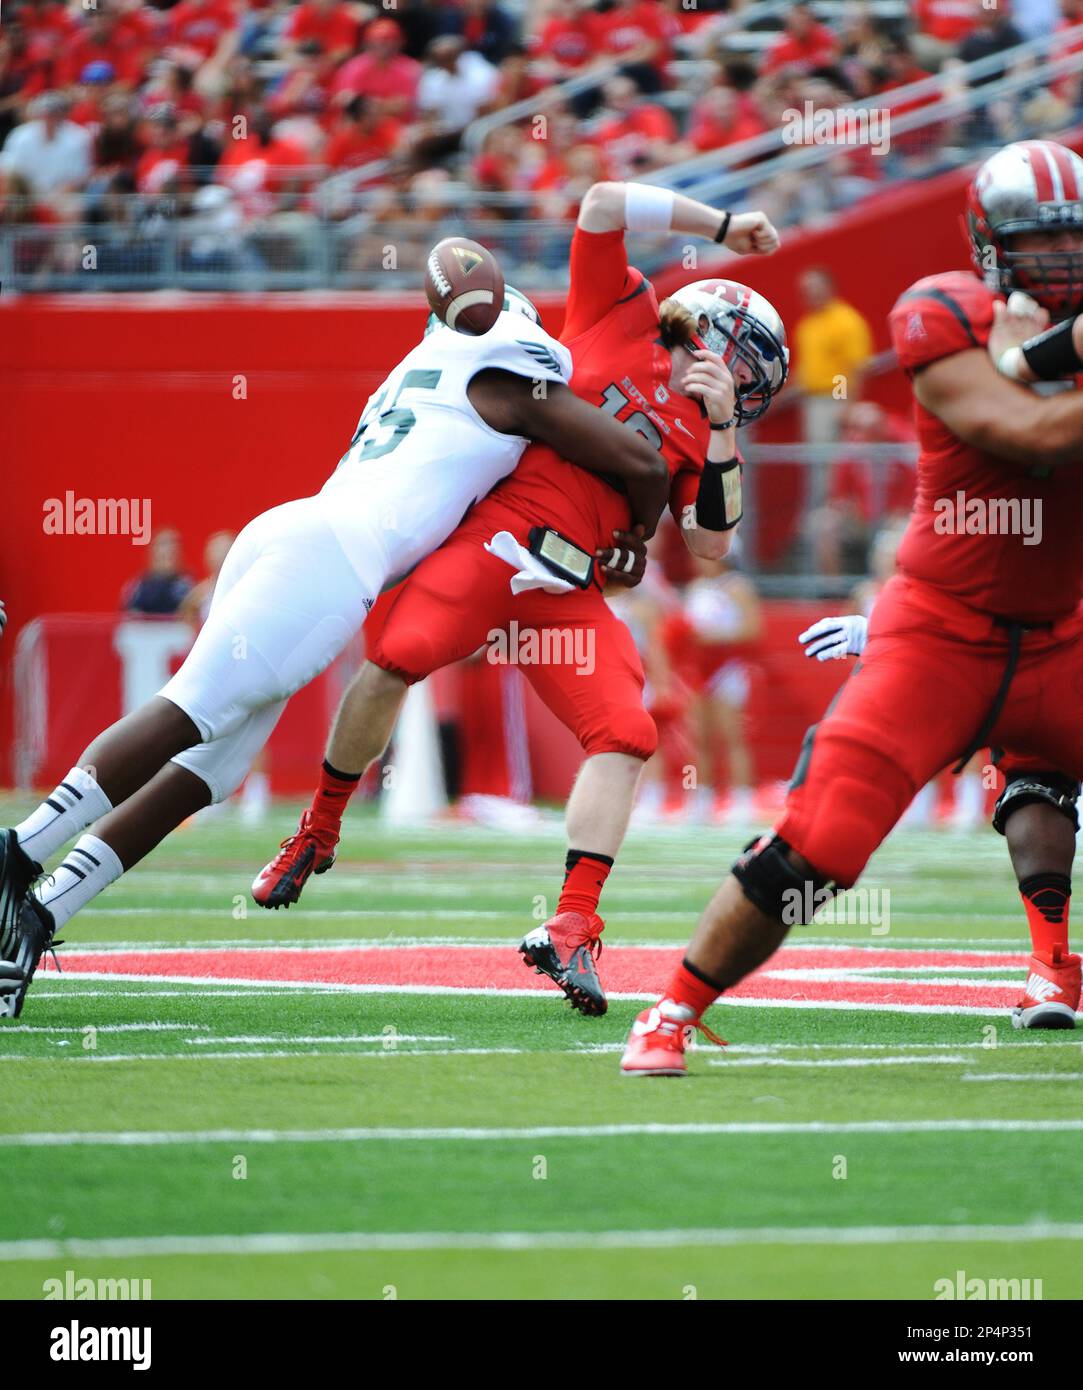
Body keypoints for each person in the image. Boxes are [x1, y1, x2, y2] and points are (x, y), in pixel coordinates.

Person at [0, 272, 669, 1019]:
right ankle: (20, 851)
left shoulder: (433, 365)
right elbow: (638, 461)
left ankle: (38, 917)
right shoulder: (511, 382)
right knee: (191, 711)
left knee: (211, 767)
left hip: (296, 528)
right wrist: (635, 536)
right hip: (334, 558)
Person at [253, 180, 786, 1020]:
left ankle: (573, 922)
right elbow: (604, 199)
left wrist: (721, 433)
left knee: (627, 732)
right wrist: (720, 223)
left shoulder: (704, 432)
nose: (749, 381)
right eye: (747, 359)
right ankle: (318, 827)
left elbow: (712, 546)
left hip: (568, 585)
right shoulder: (623, 309)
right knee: (395, 658)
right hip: (500, 538)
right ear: (709, 328)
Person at [621, 139, 1083, 1074]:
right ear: (992, 248)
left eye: (1074, 242)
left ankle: (1050, 967)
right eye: (1040, 244)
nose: (1062, 263)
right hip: (940, 627)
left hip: (1066, 632)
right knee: (822, 841)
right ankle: (672, 1009)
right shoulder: (938, 306)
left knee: (1038, 791)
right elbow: (1018, 424)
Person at [121, 528, 193, 616]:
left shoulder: (188, 586)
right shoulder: (137, 586)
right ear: (152, 551)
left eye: (173, 544)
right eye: (163, 544)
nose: (169, 549)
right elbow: (129, 617)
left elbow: (191, 616)